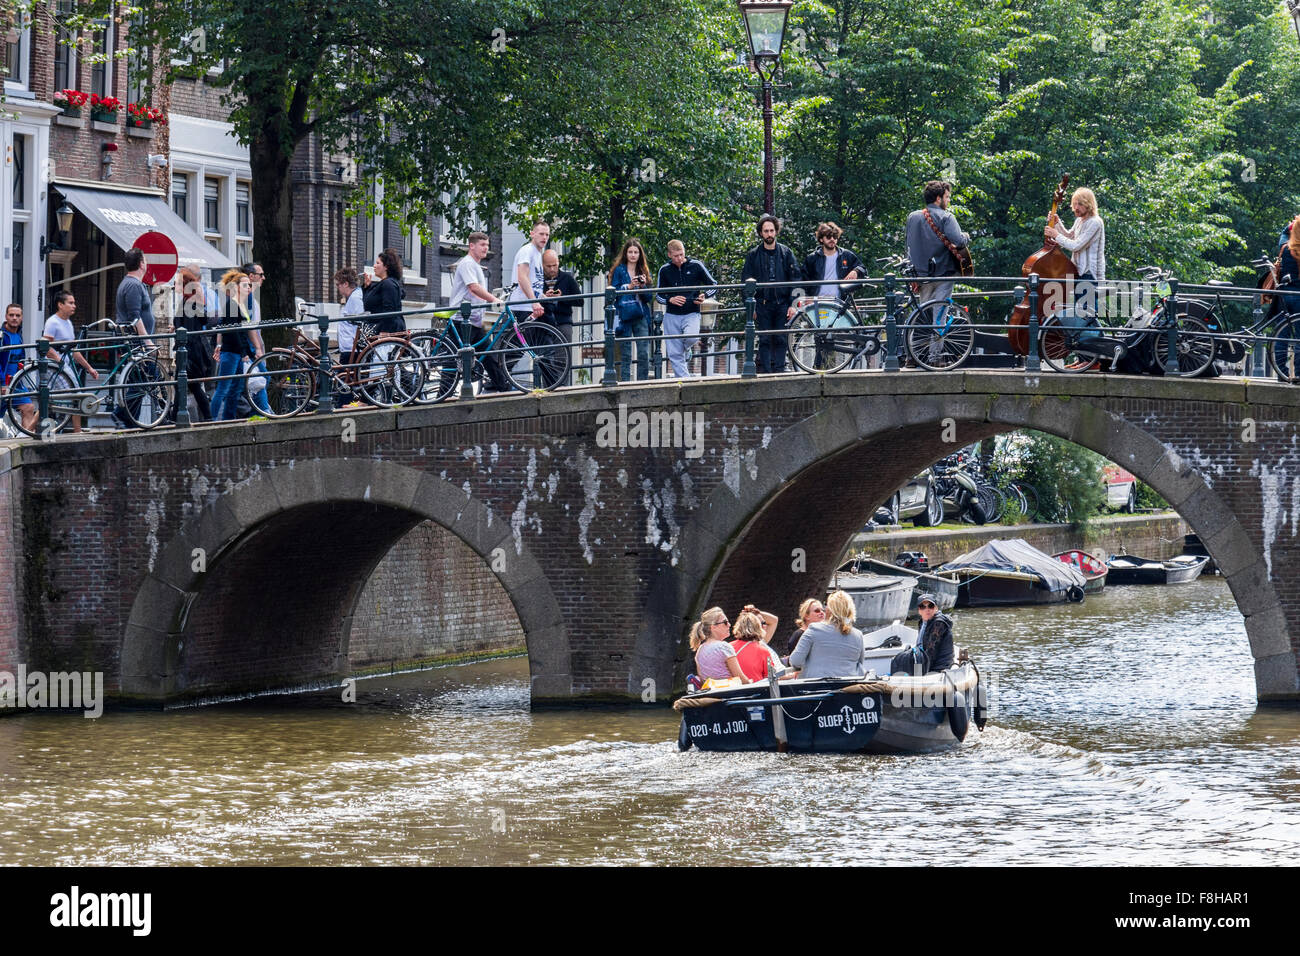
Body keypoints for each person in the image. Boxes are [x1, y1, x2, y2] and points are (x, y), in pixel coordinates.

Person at [449, 232, 510, 393]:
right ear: (471, 246)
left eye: (487, 245)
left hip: (474, 320)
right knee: (453, 361)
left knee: (489, 355)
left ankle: (503, 388)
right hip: (462, 320)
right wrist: (493, 300)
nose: (486, 248)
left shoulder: (476, 266)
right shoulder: (467, 264)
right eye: (482, 245)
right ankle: (442, 394)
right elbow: (473, 287)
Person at [741, 214, 802, 374]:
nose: (769, 234)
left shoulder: (786, 253)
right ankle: (767, 372)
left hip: (782, 303)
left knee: (782, 338)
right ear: (761, 233)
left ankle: (780, 370)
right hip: (762, 304)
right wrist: (750, 307)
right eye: (766, 231)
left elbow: (796, 279)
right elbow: (746, 282)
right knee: (765, 339)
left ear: (776, 232)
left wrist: (793, 304)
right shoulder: (753, 255)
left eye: (771, 230)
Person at [905, 180, 970, 321]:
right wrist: (966, 236)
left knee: (924, 315)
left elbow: (908, 247)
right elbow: (958, 241)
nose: (949, 200)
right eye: (947, 197)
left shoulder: (913, 217)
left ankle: (919, 343)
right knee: (939, 317)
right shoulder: (946, 217)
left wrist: (913, 275)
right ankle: (936, 343)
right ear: (938, 198)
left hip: (921, 276)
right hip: (943, 274)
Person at [656, 240, 717, 378]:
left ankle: (687, 350)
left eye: (682, 254)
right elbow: (658, 295)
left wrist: (704, 296)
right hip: (671, 315)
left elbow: (714, 285)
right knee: (674, 354)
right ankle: (685, 382)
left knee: (691, 337)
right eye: (676, 255)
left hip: (692, 312)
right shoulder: (664, 270)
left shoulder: (696, 265)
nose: (680, 258)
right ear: (669, 255)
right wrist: (669, 299)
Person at [42, 291, 99, 433]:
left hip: (63, 367)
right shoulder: (52, 322)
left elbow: (74, 350)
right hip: (54, 367)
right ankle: (77, 431)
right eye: (70, 303)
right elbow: (46, 348)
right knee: (75, 395)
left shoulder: (68, 323)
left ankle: (28, 430)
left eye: (74, 303)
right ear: (60, 305)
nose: (74, 306)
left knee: (51, 400)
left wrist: (89, 368)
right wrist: (60, 361)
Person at [1044, 186, 1106, 312]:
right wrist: (1057, 222)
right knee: (1082, 314)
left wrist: (1055, 234)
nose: (1076, 208)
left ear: (1089, 205)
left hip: (1089, 275)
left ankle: (1095, 332)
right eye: (1075, 204)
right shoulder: (1080, 220)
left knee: (1087, 314)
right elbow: (1069, 236)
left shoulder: (1095, 222)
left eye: (1080, 204)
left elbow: (1075, 245)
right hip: (1079, 272)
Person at [210, 270, 260, 420]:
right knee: (223, 388)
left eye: (250, 285)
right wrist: (244, 352)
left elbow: (242, 331)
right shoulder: (232, 305)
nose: (249, 288)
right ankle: (210, 420)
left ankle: (228, 418)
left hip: (237, 352)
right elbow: (232, 332)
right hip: (231, 352)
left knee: (235, 388)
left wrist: (247, 352)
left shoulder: (240, 305)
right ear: (236, 287)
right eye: (245, 285)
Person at [788, 589, 865, 680]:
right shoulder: (858, 635)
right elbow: (860, 663)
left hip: (816, 687)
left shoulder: (814, 629)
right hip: (848, 686)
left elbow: (795, 661)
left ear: (830, 610)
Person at [170, 266, 214, 423]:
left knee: (180, 385)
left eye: (177, 282)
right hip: (191, 350)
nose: (174, 285)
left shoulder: (190, 302)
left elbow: (194, 325)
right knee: (192, 387)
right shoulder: (188, 301)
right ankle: (207, 418)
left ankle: (174, 419)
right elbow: (199, 321)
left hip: (190, 351)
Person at [608, 238, 653, 382]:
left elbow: (648, 298)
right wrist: (629, 286)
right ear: (625, 253)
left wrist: (642, 286)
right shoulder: (619, 270)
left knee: (643, 352)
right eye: (630, 252)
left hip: (641, 315)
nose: (633, 255)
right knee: (625, 354)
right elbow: (613, 292)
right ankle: (626, 383)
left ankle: (642, 383)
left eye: (636, 252)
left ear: (640, 255)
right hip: (624, 316)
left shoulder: (643, 270)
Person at [539, 249, 579, 387]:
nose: (552, 269)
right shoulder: (538, 279)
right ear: (542, 265)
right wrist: (544, 297)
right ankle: (548, 388)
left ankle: (562, 388)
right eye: (548, 266)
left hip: (563, 321)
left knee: (563, 358)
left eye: (554, 265)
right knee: (544, 359)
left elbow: (580, 301)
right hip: (544, 323)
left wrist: (562, 298)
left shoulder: (567, 278)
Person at [889, 593, 954, 676]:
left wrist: (918, 671)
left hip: (938, 667)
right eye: (923, 607)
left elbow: (931, 652)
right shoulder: (923, 622)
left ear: (936, 608)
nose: (927, 609)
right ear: (919, 610)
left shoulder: (939, 623)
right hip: (926, 663)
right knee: (899, 662)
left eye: (930, 606)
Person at [688, 606, 747, 686]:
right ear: (713, 627)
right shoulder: (724, 647)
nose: (729, 625)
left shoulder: (700, 650)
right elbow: (741, 680)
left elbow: (702, 681)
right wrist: (752, 683)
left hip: (712, 695)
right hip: (730, 693)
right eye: (725, 622)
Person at [1, 303, 36, 434]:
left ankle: (24, 442)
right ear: (6, 316)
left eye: (17, 315)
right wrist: (2, 384)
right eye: (11, 315)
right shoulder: (2, 336)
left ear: (21, 318)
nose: (14, 318)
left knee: (28, 407)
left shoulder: (18, 336)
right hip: (2, 384)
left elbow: (19, 360)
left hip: (15, 384)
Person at [730, 608, 787, 683]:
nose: (765, 625)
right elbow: (772, 678)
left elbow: (774, 620)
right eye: (762, 623)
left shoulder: (728, 646)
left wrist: (752, 612)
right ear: (756, 626)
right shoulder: (762, 650)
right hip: (758, 689)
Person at [508, 220, 549, 325]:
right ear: (532, 234)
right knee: (522, 340)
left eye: (547, 235)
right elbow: (522, 277)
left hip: (530, 307)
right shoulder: (527, 251)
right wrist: (534, 302)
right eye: (541, 234)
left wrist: (543, 296)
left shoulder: (538, 253)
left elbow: (533, 281)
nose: (544, 237)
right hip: (522, 307)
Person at [115, 247, 156, 345]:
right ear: (141, 264)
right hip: (136, 343)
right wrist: (148, 342)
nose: (146, 263)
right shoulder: (134, 285)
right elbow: (134, 316)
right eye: (145, 261)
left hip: (136, 341)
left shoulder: (131, 283)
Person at [361, 248, 406, 333]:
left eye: (378, 263)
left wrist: (385, 331)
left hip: (387, 332)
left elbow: (389, 310)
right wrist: (366, 287)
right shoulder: (383, 283)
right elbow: (367, 303)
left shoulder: (388, 284)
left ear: (386, 266)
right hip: (377, 329)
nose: (374, 266)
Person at [333, 266, 365, 364]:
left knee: (345, 377)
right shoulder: (354, 297)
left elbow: (360, 321)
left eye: (338, 284)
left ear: (346, 284)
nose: (338, 287)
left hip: (351, 349)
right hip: (349, 347)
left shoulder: (355, 299)